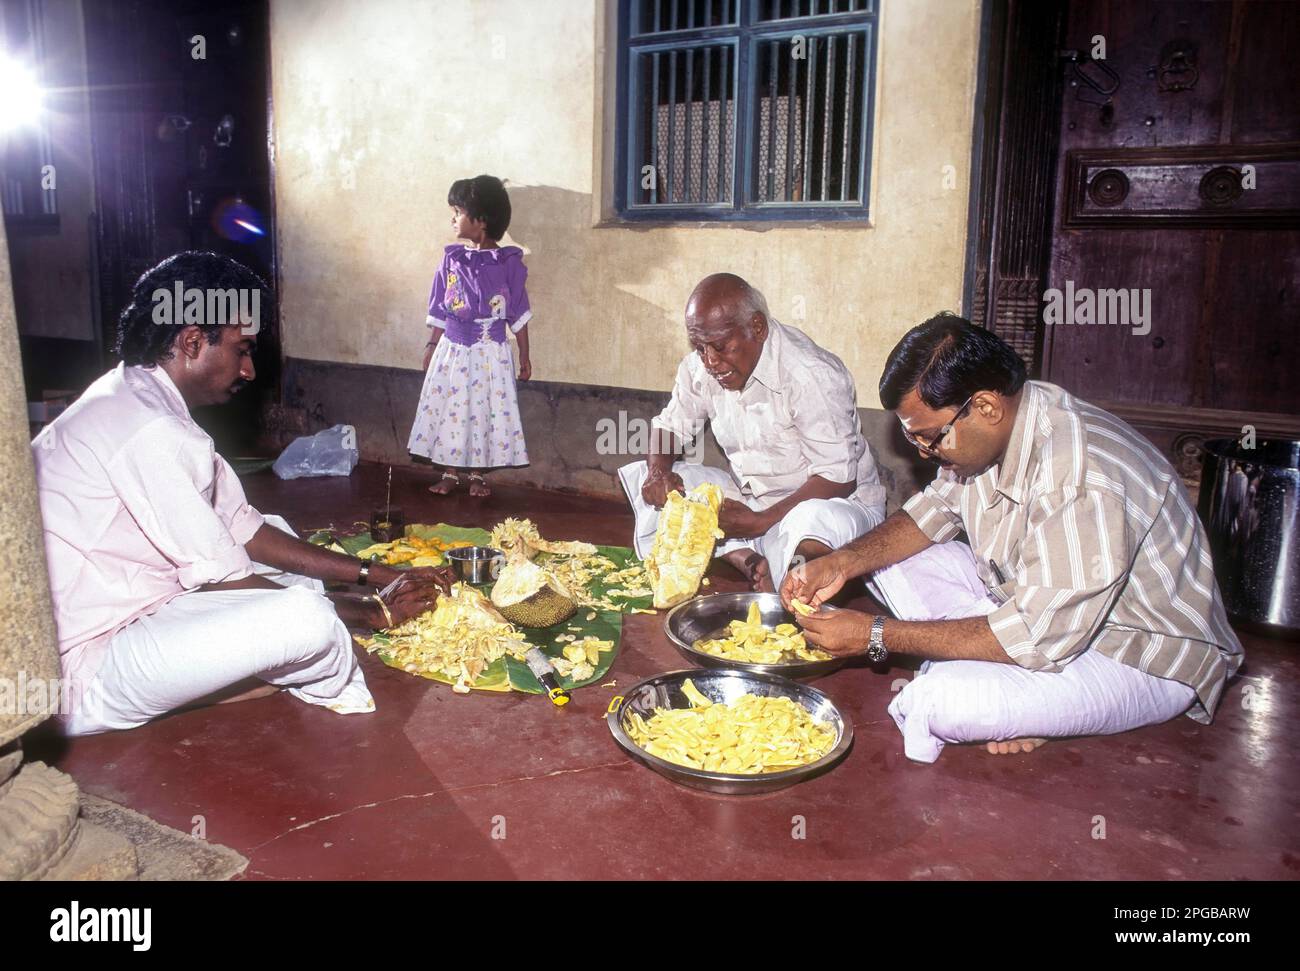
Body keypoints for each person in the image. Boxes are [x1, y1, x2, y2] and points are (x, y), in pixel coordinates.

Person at [781, 313, 1244, 762]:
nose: (925, 453)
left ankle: (1023, 695)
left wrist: (877, 636)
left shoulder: (1079, 478)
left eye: (931, 438)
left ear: (985, 406)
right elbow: (931, 513)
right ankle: (1018, 690)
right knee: (886, 559)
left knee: (940, 702)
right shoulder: (1004, 420)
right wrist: (840, 562)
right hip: (1036, 609)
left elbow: (1035, 638)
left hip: (1137, 652)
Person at [32, 252, 452, 735]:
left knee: (277, 534)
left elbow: (243, 527)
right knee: (307, 620)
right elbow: (223, 580)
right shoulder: (151, 429)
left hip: (122, 603)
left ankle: (225, 676)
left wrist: (377, 574)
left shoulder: (133, 390)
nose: (249, 370)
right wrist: (370, 613)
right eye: (242, 349)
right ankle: (198, 689)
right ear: (192, 342)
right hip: (78, 666)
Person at [620, 273, 886, 593]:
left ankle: (778, 562)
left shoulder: (810, 374)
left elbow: (839, 477)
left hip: (833, 504)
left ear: (757, 328)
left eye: (719, 346)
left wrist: (760, 522)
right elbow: (669, 426)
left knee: (811, 526)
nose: (710, 361)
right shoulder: (700, 366)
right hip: (753, 501)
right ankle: (750, 558)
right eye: (700, 347)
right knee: (665, 485)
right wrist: (657, 472)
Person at [410, 174, 531, 498]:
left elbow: (518, 312)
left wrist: (525, 355)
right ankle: (450, 471)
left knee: (481, 410)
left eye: (458, 212)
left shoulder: (508, 263)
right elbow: (440, 307)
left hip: (490, 351)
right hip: (453, 349)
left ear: (481, 221)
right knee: (453, 409)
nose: (453, 219)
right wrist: (432, 344)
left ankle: (478, 474)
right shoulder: (452, 260)